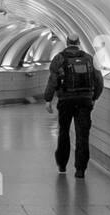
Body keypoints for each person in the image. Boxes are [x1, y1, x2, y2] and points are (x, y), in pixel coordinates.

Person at [44, 34, 103, 178]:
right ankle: (80, 169)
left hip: (66, 100)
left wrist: (48, 99)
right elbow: (99, 81)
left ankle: (62, 165)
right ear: (78, 43)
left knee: (64, 132)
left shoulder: (59, 58)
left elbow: (53, 80)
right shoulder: (89, 58)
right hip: (84, 100)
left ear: (67, 42)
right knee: (82, 135)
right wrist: (94, 97)